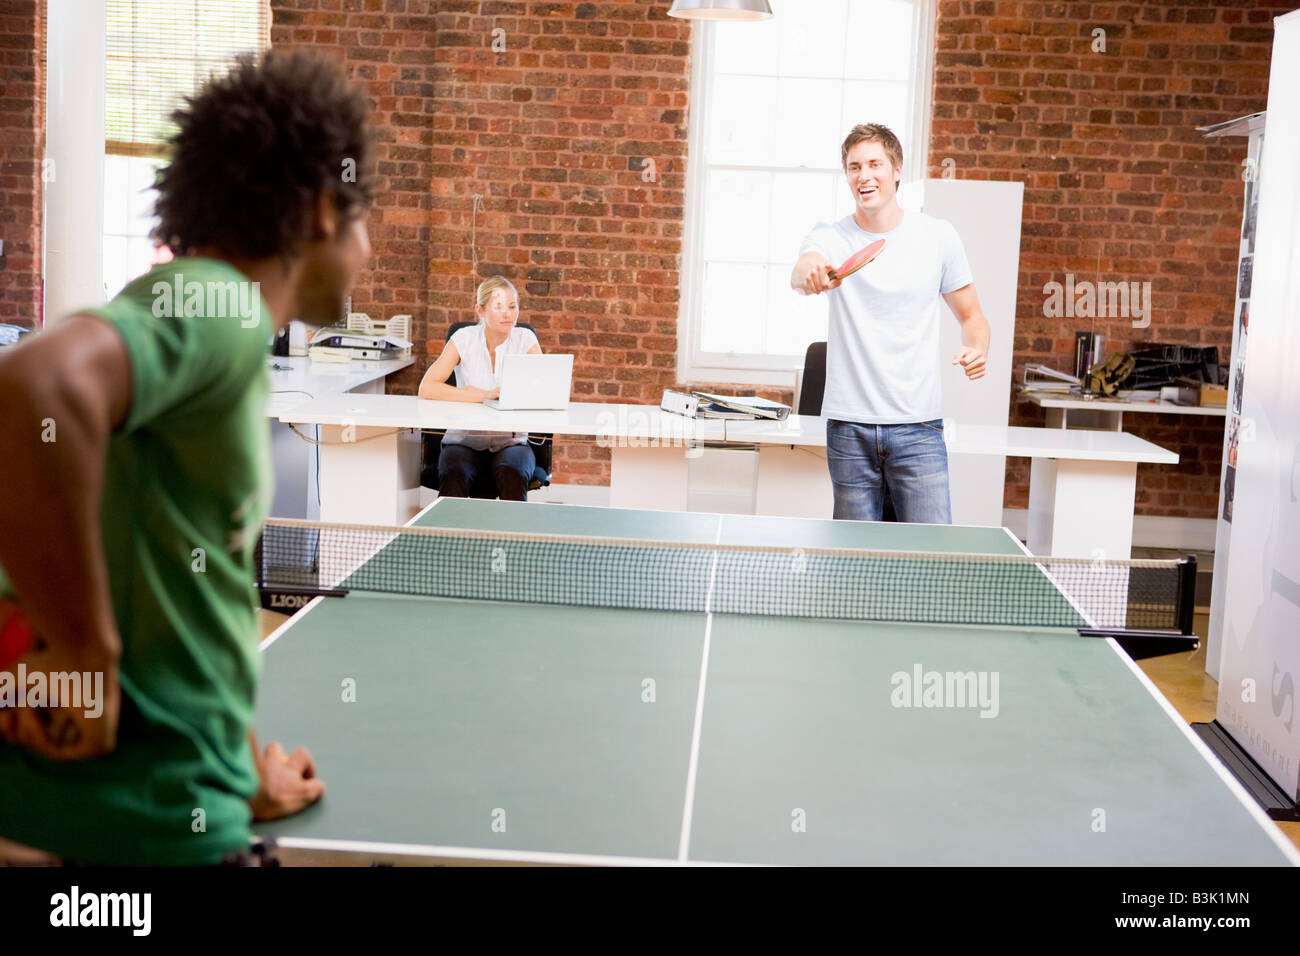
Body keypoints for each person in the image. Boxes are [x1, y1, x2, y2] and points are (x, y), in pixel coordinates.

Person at [0, 49, 375, 865]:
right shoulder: (223, 303)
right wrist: (84, 652)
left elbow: (176, 581)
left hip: (123, 813)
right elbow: (32, 388)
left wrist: (243, 770)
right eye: (363, 216)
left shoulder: (203, 310)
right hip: (146, 841)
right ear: (319, 210)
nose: (370, 248)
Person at [790, 123, 990, 524]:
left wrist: (977, 348)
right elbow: (802, 270)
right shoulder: (829, 236)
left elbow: (972, 317)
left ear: (897, 170)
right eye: (854, 167)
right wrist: (811, 273)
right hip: (849, 428)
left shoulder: (938, 236)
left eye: (874, 164)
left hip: (918, 427)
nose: (864, 175)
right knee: (857, 561)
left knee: (929, 556)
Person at [418, 276, 541, 501]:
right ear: (481, 310)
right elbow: (427, 388)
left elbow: (544, 389)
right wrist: (483, 395)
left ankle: (510, 537)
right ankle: (450, 537)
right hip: (463, 440)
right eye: (499, 307)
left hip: (511, 441)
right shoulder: (463, 339)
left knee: (513, 471)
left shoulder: (525, 339)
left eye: (513, 307)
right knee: (454, 471)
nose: (508, 314)